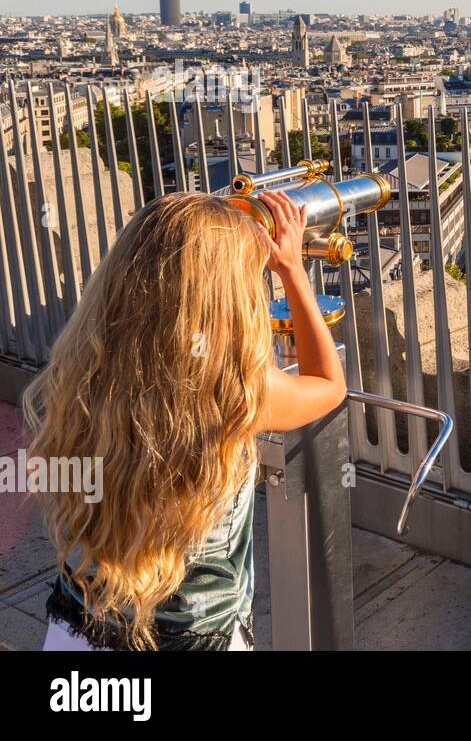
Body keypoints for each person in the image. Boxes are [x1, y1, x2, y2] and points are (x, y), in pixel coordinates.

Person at [24, 189, 346, 650]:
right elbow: (327, 384)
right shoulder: (233, 394)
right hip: (195, 638)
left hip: (80, 623)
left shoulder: (84, 368)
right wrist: (292, 271)